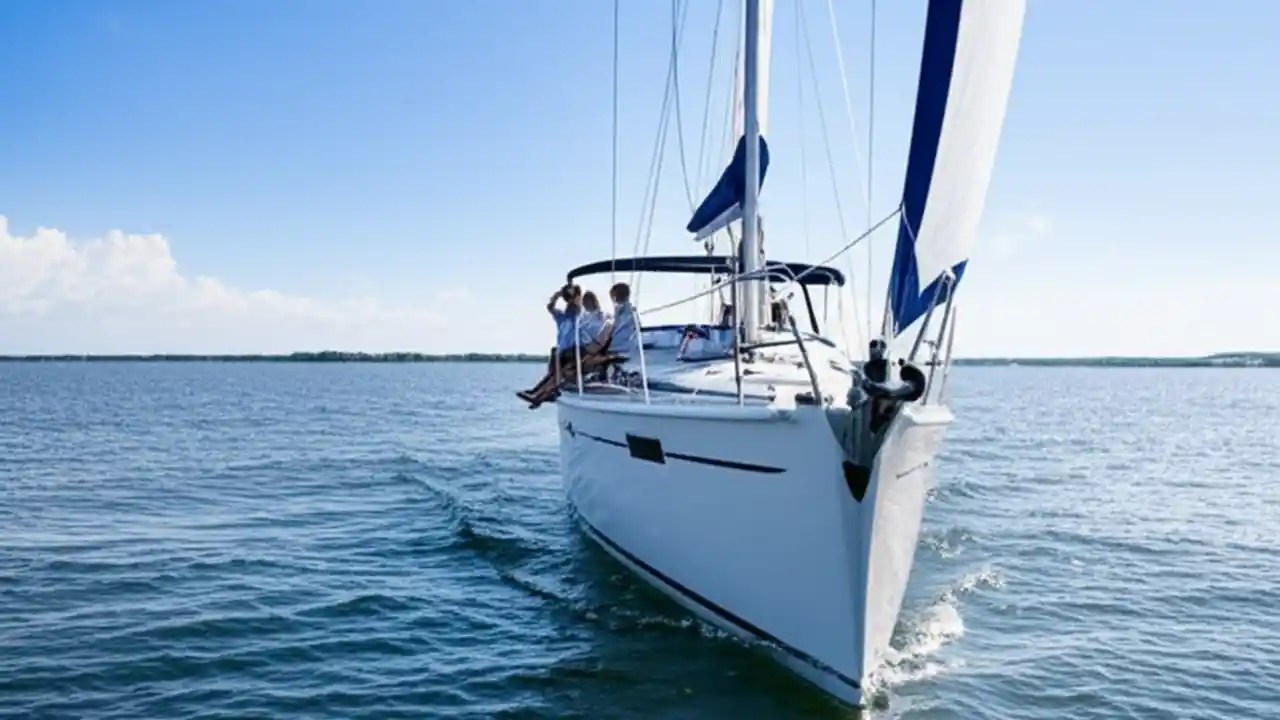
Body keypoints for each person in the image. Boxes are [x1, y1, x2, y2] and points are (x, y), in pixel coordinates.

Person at [517, 283, 583, 407]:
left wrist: (576, 295)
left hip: (572, 352)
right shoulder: (562, 317)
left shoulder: (579, 317)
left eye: (572, 304)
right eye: (568, 304)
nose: (570, 306)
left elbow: (579, 306)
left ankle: (539, 396)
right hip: (561, 352)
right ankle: (538, 393)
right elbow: (550, 307)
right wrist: (557, 295)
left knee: (556, 374)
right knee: (552, 372)